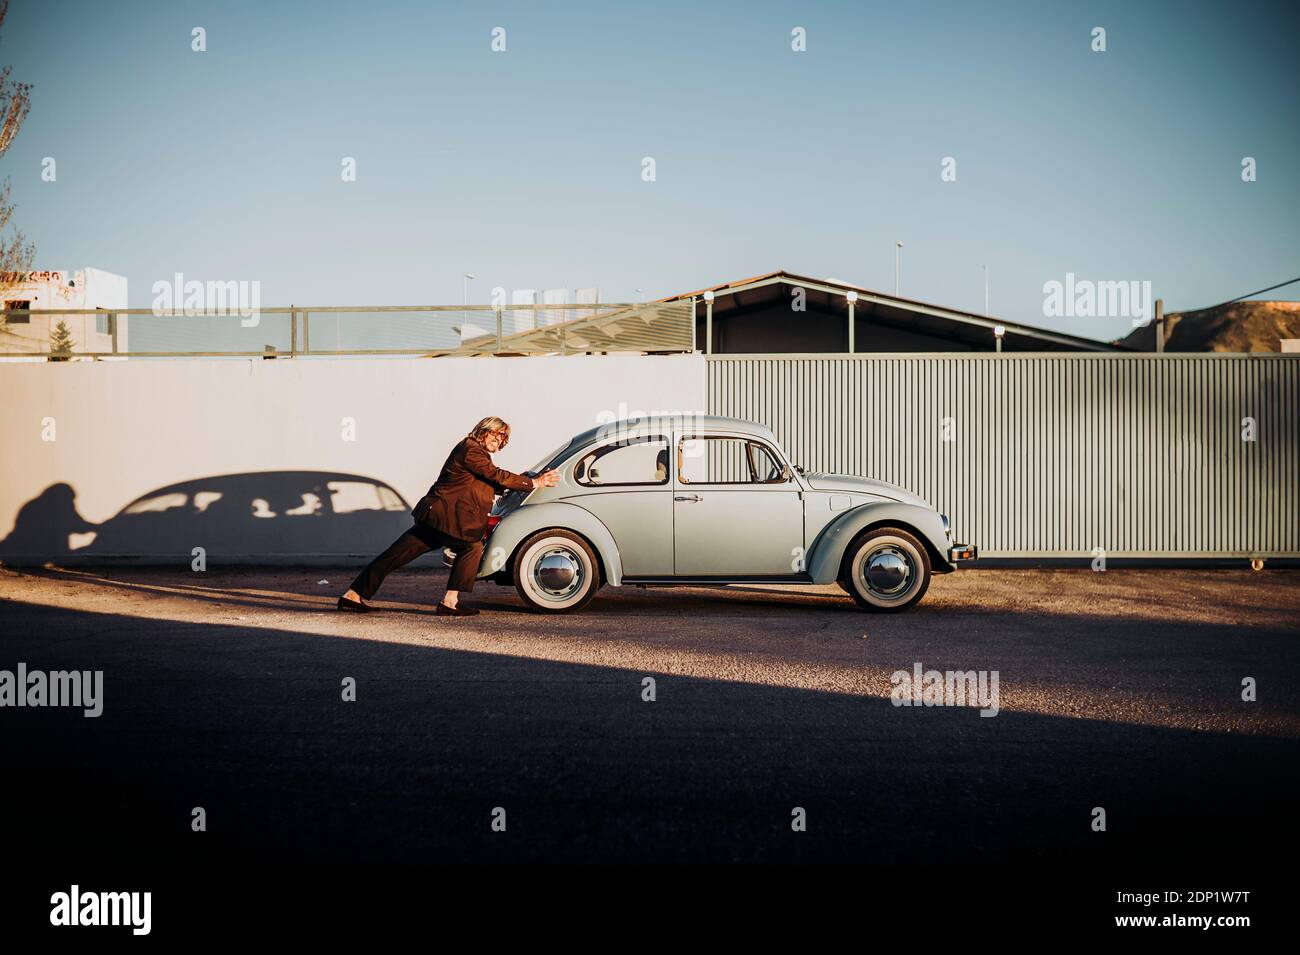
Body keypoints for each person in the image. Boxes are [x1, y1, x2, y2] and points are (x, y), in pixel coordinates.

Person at [338, 416, 559, 616]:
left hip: (438, 517)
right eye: (497, 433)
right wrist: (534, 483)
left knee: (396, 555)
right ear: (484, 430)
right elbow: (495, 476)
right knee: (471, 546)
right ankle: (450, 602)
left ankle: (353, 595)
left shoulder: (475, 453)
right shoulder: (471, 449)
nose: (500, 440)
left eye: (504, 437)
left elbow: (485, 482)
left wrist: (517, 483)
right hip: (443, 518)